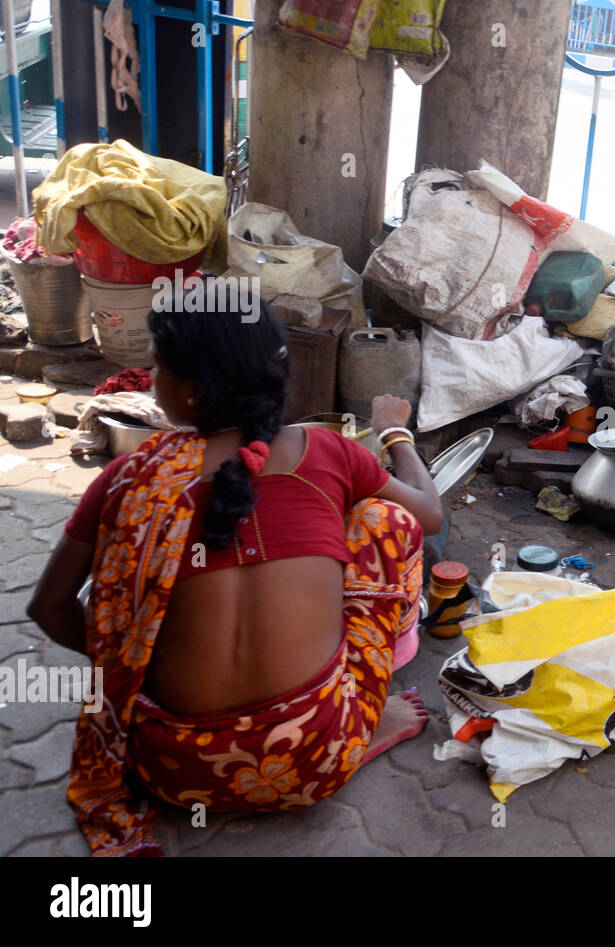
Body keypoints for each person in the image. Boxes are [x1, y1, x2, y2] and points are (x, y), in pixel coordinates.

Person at [27, 278, 445, 856]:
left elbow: (47, 609)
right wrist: (396, 432)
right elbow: (429, 516)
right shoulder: (329, 452)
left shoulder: (131, 477)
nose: (151, 381)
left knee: (134, 588)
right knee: (384, 522)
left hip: (169, 770)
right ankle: (366, 713)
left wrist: (129, 663)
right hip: (317, 760)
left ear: (190, 391)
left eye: (155, 368)